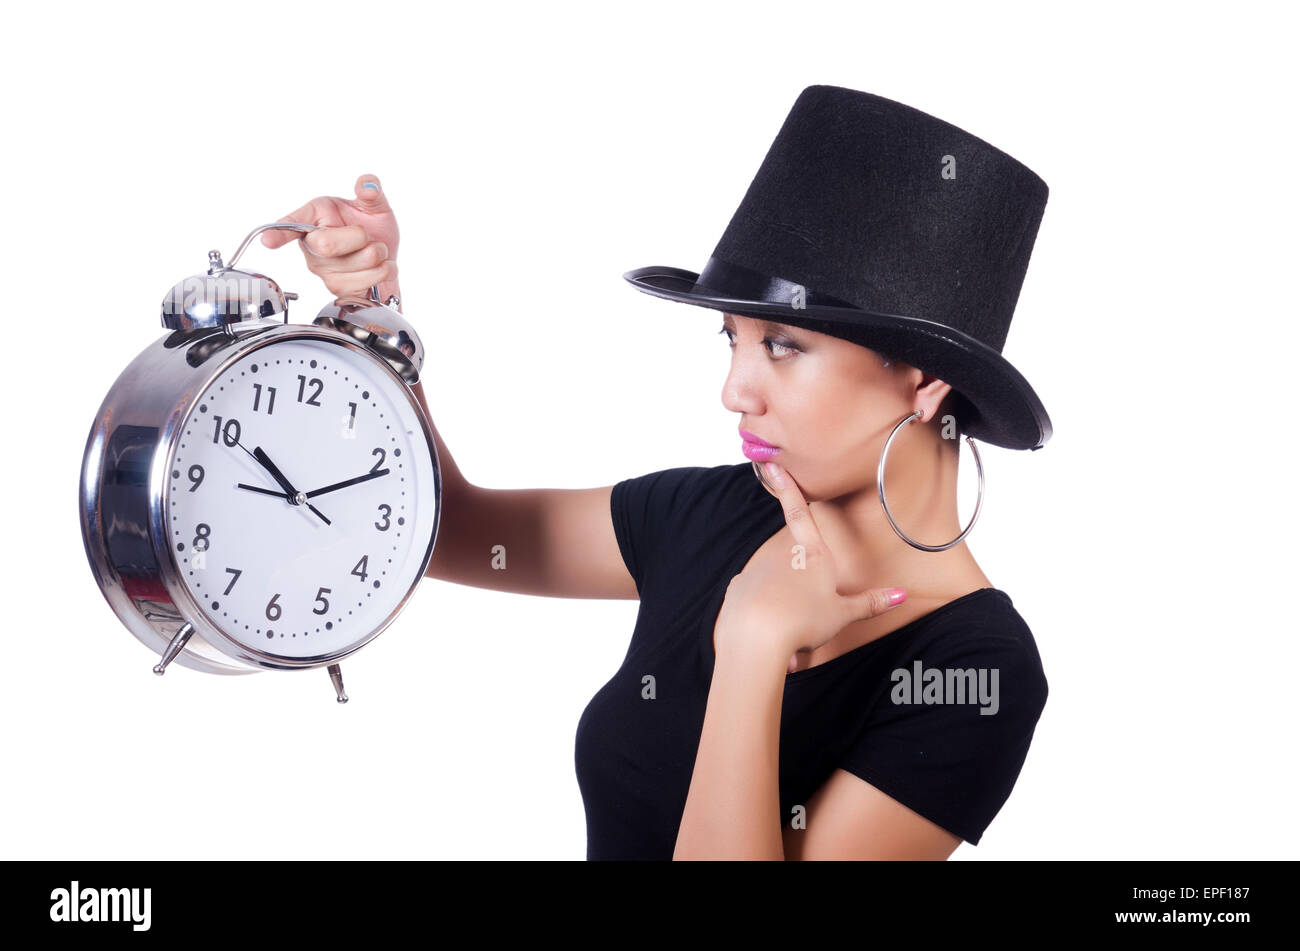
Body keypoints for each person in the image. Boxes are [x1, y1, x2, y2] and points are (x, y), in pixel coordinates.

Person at [263, 85, 1052, 861]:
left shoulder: (974, 672)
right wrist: (373, 310)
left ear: (924, 379)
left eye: (782, 344)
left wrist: (755, 643)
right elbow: (444, 529)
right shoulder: (707, 512)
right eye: (731, 338)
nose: (733, 391)